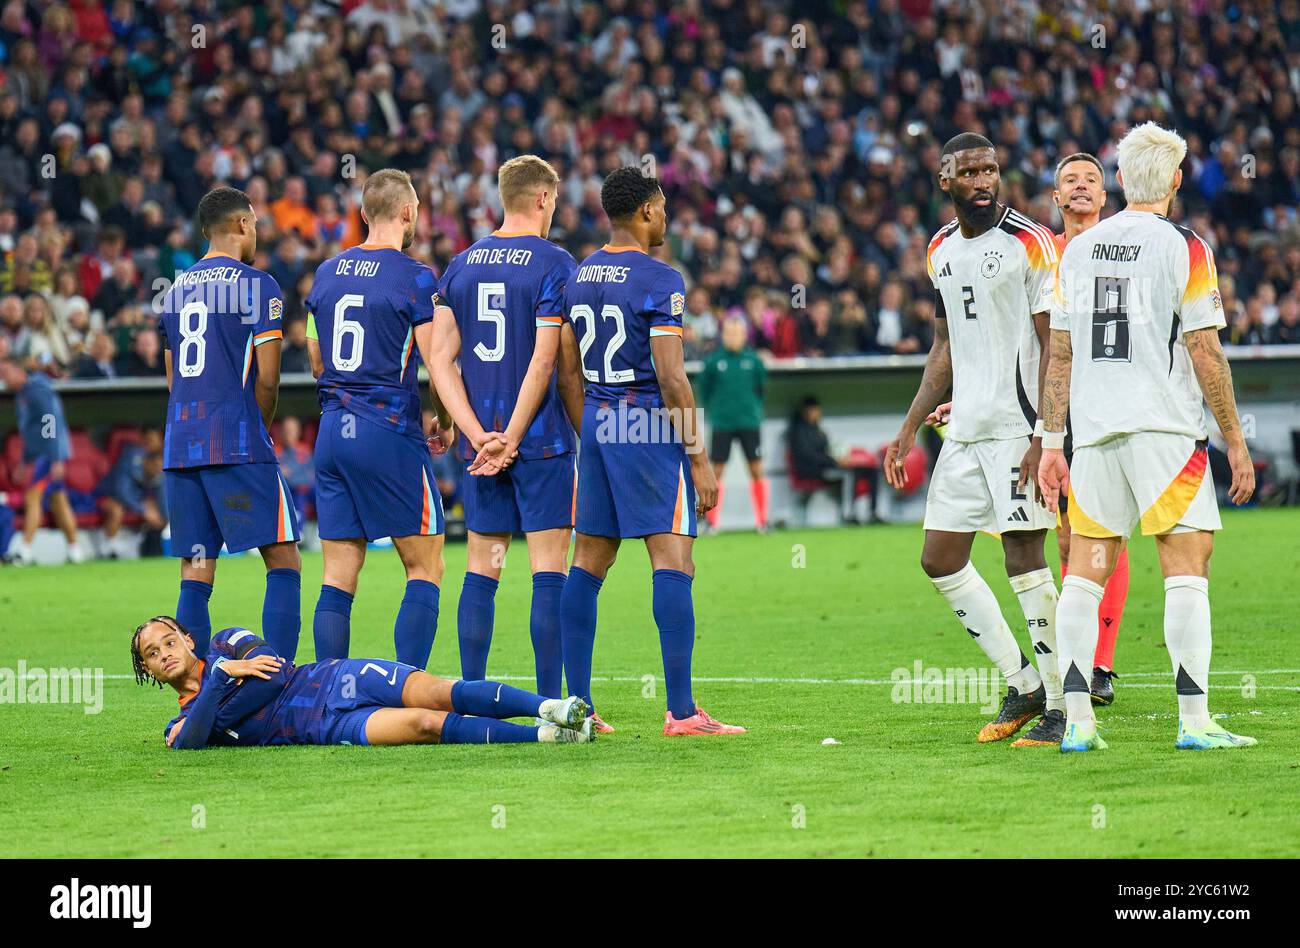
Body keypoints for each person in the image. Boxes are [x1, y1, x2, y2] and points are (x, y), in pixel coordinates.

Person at [1039, 122, 1257, 752]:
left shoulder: (1077, 251)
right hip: (1165, 430)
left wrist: (1053, 442)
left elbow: (1060, 355)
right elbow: (1205, 351)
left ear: (1119, 180)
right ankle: (1194, 721)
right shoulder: (1185, 246)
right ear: (1177, 181)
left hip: (1097, 433)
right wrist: (1234, 438)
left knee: (1084, 572)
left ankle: (1078, 724)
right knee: (1186, 566)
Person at [924, 152, 1130, 708]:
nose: (1081, 188)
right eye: (1070, 180)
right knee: (1051, 542)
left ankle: (1086, 677)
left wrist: (1048, 429)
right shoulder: (1030, 248)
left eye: (1092, 180)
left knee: (1091, 538)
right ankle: (1037, 683)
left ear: (1107, 195)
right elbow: (962, 342)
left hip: (1069, 418)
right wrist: (953, 401)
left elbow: (1063, 348)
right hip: (1010, 422)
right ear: (1056, 194)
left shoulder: (1116, 249)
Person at [885, 132, 1064, 747]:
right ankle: (1023, 681)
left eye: (992, 169)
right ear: (947, 181)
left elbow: (1052, 346)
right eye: (971, 172)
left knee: (1023, 557)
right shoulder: (939, 249)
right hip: (964, 433)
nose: (985, 180)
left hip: (1020, 430)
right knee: (939, 557)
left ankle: (1062, 703)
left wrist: (1047, 431)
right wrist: (910, 426)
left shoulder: (1030, 243)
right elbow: (944, 349)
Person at [558, 167, 744, 736]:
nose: (665, 217)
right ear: (644, 211)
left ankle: (579, 708)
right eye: (661, 207)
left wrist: (592, 429)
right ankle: (682, 713)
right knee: (674, 560)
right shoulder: (661, 279)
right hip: (645, 424)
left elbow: (567, 369)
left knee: (588, 563)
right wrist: (699, 459)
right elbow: (673, 379)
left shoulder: (579, 275)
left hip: (599, 422)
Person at [428, 155, 579, 698]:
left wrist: (475, 434)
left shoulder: (462, 265)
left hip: (480, 449)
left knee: (482, 571)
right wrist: (513, 436)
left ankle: (471, 696)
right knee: (548, 572)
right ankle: (550, 703)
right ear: (543, 198)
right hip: (538, 444)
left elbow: (439, 360)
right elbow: (545, 362)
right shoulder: (554, 263)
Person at [305, 168, 452, 669]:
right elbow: (438, 363)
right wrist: (447, 419)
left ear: (364, 215)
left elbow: (316, 359)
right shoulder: (416, 278)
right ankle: (408, 688)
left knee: (338, 572)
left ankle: (326, 694)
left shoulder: (325, 274)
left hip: (331, 431)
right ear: (408, 212)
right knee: (425, 565)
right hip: (386, 431)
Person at [157, 186, 303, 660]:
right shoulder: (258, 286)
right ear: (242, 224)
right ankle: (278, 682)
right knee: (282, 558)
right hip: (236, 441)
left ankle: (197, 689)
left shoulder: (174, 291)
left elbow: (173, 378)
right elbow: (268, 376)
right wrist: (257, 426)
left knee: (196, 570)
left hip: (182, 444)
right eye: (256, 223)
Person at [131, 616, 595, 749]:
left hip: (338, 679)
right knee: (425, 724)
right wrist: (218, 680)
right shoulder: (187, 716)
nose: (165, 655)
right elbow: (189, 744)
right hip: (324, 729)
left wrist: (219, 716)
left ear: (188, 639)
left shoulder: (227, 640)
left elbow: (273, 672)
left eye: (169, 642)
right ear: (149, 672)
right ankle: (549, 734)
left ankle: (549, 706)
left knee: (439, 692)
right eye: (152, 654)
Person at [0, 358, 82, 564]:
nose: (3, 378)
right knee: (58, 501)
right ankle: (75, 549)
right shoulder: (23, 394)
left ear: (19, 372)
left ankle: (24, 550)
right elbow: (32, 432)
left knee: (33, 497)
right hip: (41, 455)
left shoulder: (36, 390)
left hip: (47, 456)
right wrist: (23, 461)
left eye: (6, 372)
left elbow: (50, 420)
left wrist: (55, 459)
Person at [698, 316, 769, 532]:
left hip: (749, 422)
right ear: (723, 335)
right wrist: (717, 410)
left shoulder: (754, 361)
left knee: (756, 469)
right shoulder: (713, 362)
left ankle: (762, 521)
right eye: (729, 332)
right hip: (722, 423)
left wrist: (752, 410)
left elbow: (761, 389)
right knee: (716, 472)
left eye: (737, 332)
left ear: (745, 335)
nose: (733, 336)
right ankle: (712, 522)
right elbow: (704, 391)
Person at [100, 427, 167, 557]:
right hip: (107, 495)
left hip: (134, 500)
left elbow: (161, 494)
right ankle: (109, 550)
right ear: (147, 463)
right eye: (148, 440)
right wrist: (144, 511)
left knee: (154, 507)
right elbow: (121, 492)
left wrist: (165, 517)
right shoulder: (130, 458)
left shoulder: (159, 465)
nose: (158, 471)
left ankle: (151, 547)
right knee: (116, 509)